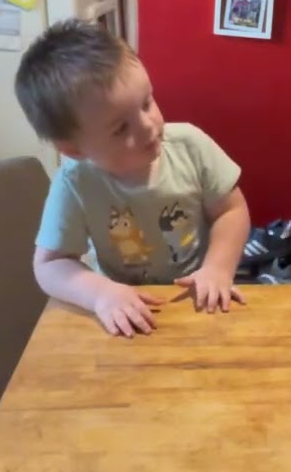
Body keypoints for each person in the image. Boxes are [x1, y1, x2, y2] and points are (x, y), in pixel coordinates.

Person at [15, 19, 251, 337]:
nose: (148, 126)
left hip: (197, 298)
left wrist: (217, 268)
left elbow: (231, 210)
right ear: (74, 149)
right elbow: (49, 265)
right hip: (127, 311)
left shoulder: (190, 145)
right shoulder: (75, 182)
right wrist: (100, 294)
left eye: (147, 103)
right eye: (121, 129)